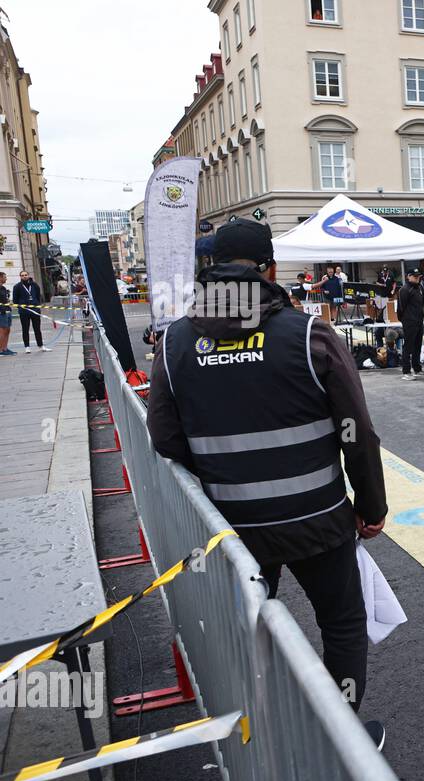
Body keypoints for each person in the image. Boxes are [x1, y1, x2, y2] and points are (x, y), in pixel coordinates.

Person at [146, 219, 389, 747]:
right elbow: (357, 433)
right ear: (271, 270)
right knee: (341, 624)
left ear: (210, 270)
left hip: (231, 528)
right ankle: (343, 740)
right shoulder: (308, 334)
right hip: (317, 520)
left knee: (249, 630)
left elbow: (164, 437)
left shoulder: (176, 343)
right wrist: (371, 506)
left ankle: (261, 733)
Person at [396, 269, 424, 381]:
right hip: (409, 321)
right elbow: (400, 308)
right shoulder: (404, 290)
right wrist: (405, 320)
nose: (417, 278)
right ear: (408, 276)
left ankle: (417, 369)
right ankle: (406, 371)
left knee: (417, 346)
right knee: (408, 346)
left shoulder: (420, 287)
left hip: (419, 320)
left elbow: (422, 304)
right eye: (414, 276)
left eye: (418, 276)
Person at [13, 270, 46, 353]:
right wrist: (21, 306)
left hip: (35, 310)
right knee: (25, 329)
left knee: (37, 329)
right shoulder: (17, 286)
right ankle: (27, 346)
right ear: (20, 277)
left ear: (28, 275)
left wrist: (36, 304)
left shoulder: (34, 285)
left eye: (25, 275)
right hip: (24, 311)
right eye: (22, 275)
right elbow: (15, 300)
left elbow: (38, 296)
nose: (24, 276)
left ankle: (40, 345)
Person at [0, 273, 12, 356]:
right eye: (5, 277)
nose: (6, 279)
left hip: (7, 310)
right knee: (2, 331)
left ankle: (5, 348)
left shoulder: (3, 288)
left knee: (7, 330)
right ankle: (1, 350)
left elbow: (4, 299)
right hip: (1, 312)